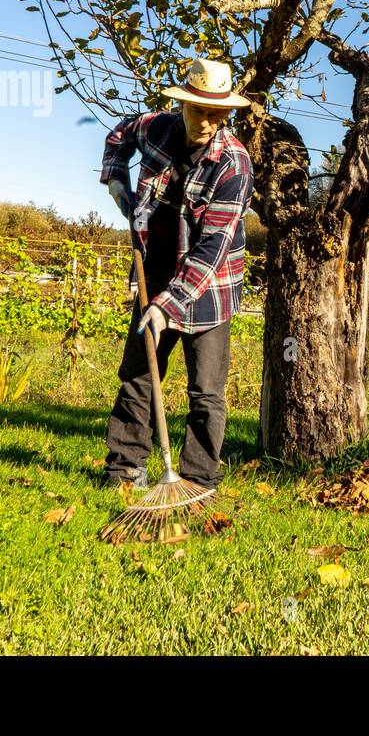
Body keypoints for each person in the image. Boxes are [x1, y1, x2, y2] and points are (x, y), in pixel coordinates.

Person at [98, 57, 254, 491]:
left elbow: (211, 249)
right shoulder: (156, 127)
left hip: (209, 287)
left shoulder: (234, 166)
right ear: (181, 104)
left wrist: (169, 305)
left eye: (217, 114)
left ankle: (199, 480)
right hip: (155, 272)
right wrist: (115, 179)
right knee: (139, 374)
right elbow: (118, 135)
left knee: (206, 392)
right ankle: (125, 469)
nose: (206, 122)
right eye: (199, 110)